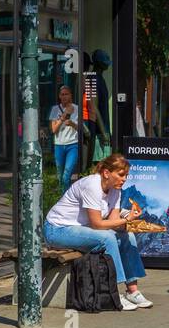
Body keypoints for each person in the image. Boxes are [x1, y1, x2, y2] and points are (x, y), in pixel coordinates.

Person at [43, 153, 152, 310]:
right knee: (107, 238)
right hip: (57, 229)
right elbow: (97, 224)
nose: (124, 179)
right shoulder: (92, 185)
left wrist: (130, 219)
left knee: (127, 235)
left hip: (80, 228)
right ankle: (114, 292)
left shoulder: (115, 189)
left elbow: (113, 223)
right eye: (121, 175)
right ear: (106, 173)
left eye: (126, 175)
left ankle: (132, 291)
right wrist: (125, 220)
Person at [47, 85, 82, 193]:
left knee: (66, 175)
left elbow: (81, 129)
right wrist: (64, 115)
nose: (64, 96)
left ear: (70, 95)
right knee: (60, 177)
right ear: (59, 96)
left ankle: (65, 201)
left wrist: (72, 123)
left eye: (66, 94)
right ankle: (62, 199)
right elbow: (53, 129)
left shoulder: (77, 108)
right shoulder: (55, 109)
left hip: (73, 145)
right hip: (59, 145)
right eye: (62, 94)